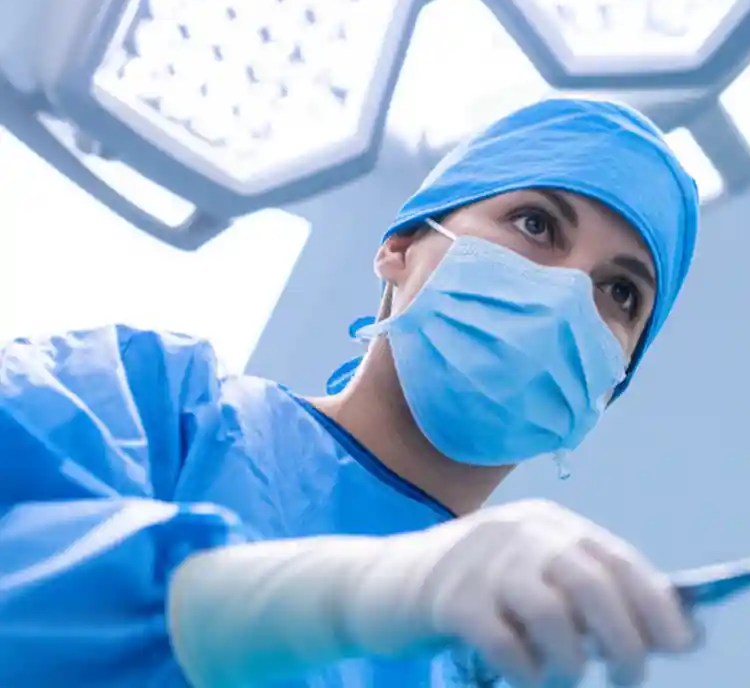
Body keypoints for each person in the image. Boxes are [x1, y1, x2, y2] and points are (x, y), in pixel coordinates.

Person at [0, 98, 702, 688]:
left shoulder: (503, 658)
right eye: (536, 224)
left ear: (612, 385)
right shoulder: (156, 403)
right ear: (400, 245)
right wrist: (351, 597)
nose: (567, 296)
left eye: (620, 292)